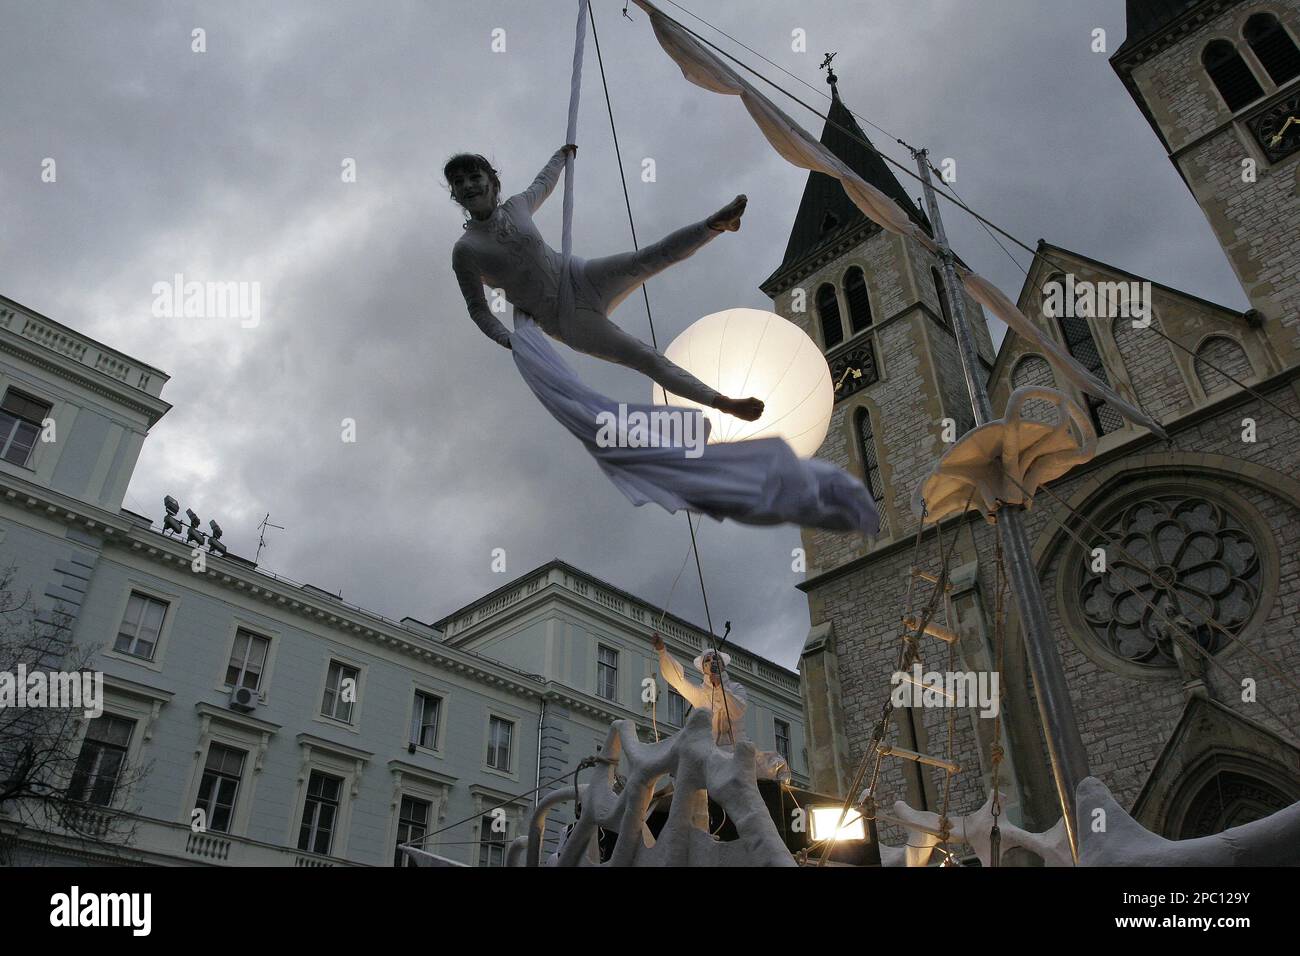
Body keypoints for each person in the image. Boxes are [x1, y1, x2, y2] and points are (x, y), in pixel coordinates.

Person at [446, 146, 765, 422]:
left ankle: (717, 225)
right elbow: (478, 309)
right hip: (565, 319)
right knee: (643, 356)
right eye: (459, 183)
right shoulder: (466, 250)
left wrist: (561, 156)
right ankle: (723, 403)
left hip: (579, 276)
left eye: (475, 177)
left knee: (647, 259)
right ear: (455, 194)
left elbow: (543, 184)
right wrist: (510, 340)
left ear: (491, 180)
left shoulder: (516, 206)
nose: (468, 186)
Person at [651, 631, 790, 781]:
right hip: (713, 751)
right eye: (707, 660)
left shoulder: (736, 688)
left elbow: (736, 710)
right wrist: (662, 651)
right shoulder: (700, 695)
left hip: (737, 749)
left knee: (768, 767)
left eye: (715, 659)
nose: (711, 662)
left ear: (723, 666)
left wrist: (719, 687)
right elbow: (678, 681)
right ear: (703, 669)